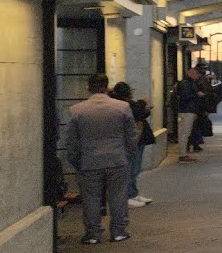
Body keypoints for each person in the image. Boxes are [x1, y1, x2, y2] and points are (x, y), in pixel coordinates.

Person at [63, 73, 137, 244]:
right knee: (118, 196)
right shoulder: (122, 107)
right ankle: (118, 231)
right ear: (106, 86)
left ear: (88, 87)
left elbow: (71, 140)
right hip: (117, 159)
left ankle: (93, 233)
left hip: (89, 160)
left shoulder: (77, 110)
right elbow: (131, 136)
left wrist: (76, 160)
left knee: (91, 198)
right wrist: (129, 155)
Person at [111, 82, 155, 208]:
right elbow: (136, 113)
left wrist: (144, 109)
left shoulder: (126, 104)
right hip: (132, 140)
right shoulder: (124, 105)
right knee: (132, 168)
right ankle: (129, 195)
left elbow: (140, 114)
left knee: (135, 168)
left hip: (138, 139)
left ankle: (133, 193)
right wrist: (142, 102)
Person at [175, 64, 208, 162]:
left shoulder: (189, 83)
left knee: (185, 133)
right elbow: (185, 96)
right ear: (191, 74)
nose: (198, 77)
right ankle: (183, 155)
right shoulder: (186, 83)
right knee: (184, 133)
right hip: (186, 111)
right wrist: (197, 94)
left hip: (189, 110)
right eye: (197, 75)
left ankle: (184, 154)